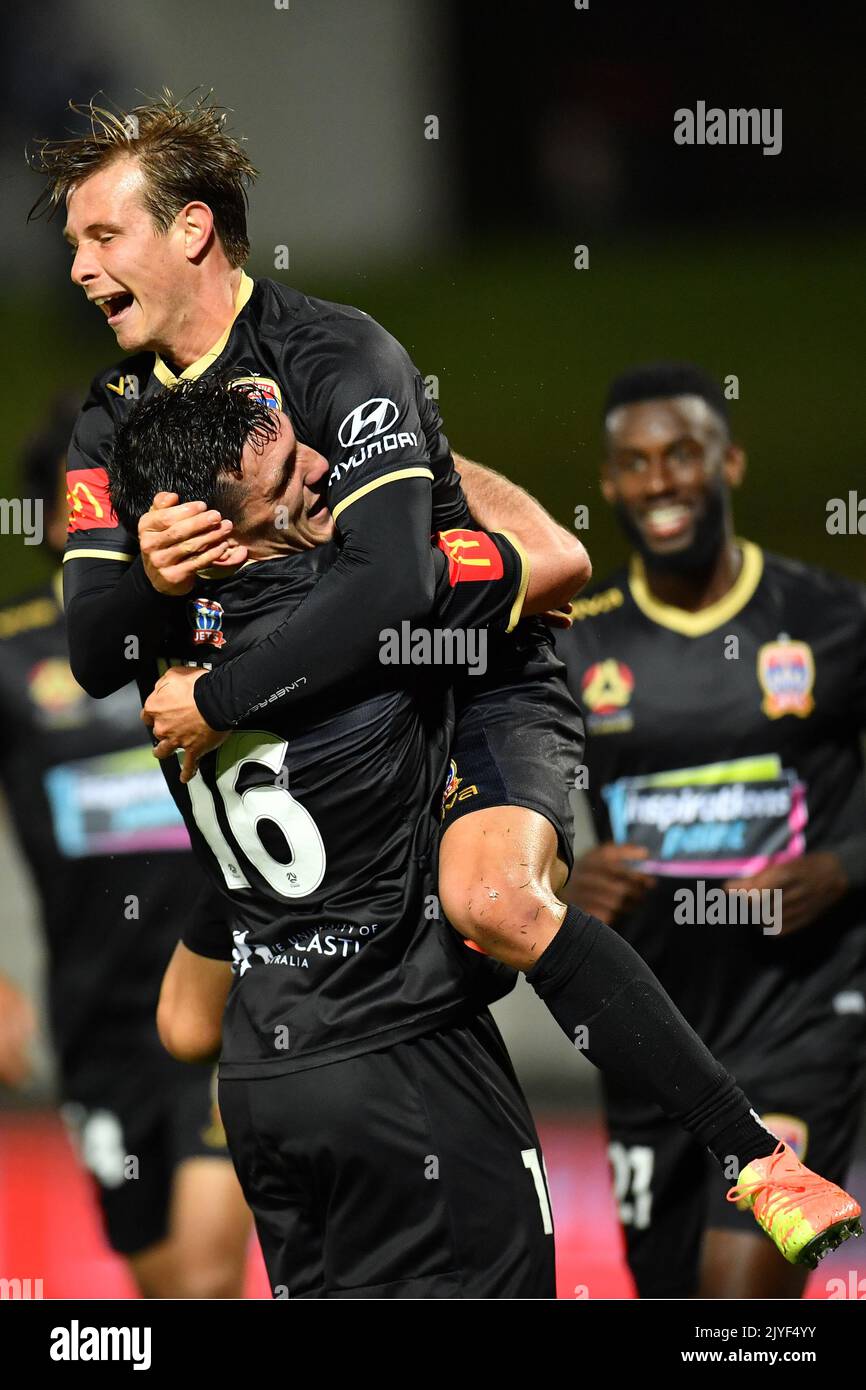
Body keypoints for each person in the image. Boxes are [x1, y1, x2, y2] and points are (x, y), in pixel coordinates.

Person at [30, 95, 861, 1272]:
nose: (74, 265)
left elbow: (400, 589)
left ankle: (752, 1156)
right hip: (311, 724)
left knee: (491, 904)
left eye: (100, 236)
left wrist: (213, 694)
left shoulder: (334, 352)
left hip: (464, 676)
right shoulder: (112, 423)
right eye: (70, 241)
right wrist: (146, 585)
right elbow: (96, 649)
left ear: (195, 230)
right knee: (192, 1011)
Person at [106, 371, 592, 1298]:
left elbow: (182, 1022)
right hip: (402, 1062)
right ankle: (744, 1145)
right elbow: (558, 558)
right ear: (212, 528)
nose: (330, 466)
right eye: (292, 467)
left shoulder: (161, 653)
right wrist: (411, 462)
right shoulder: (372, 602)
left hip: (263, 1080)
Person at [557, 361, 866, 1297]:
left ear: (728, 463)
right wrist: (566, 877)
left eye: (682, 454)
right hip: (651, 1033)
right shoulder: (579, 641)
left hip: (799, 1017)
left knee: (739, 1300)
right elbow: (498, 800)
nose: (661, 482)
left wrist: (844, 870)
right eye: (637, 463)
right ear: (610, 483)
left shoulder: (830, 620)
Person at [0, 396, 251, 1298]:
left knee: (209, 1277)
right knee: (161, 1280)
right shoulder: (13, 656)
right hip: (97, 1017)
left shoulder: (211, 624)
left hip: (222, 987)